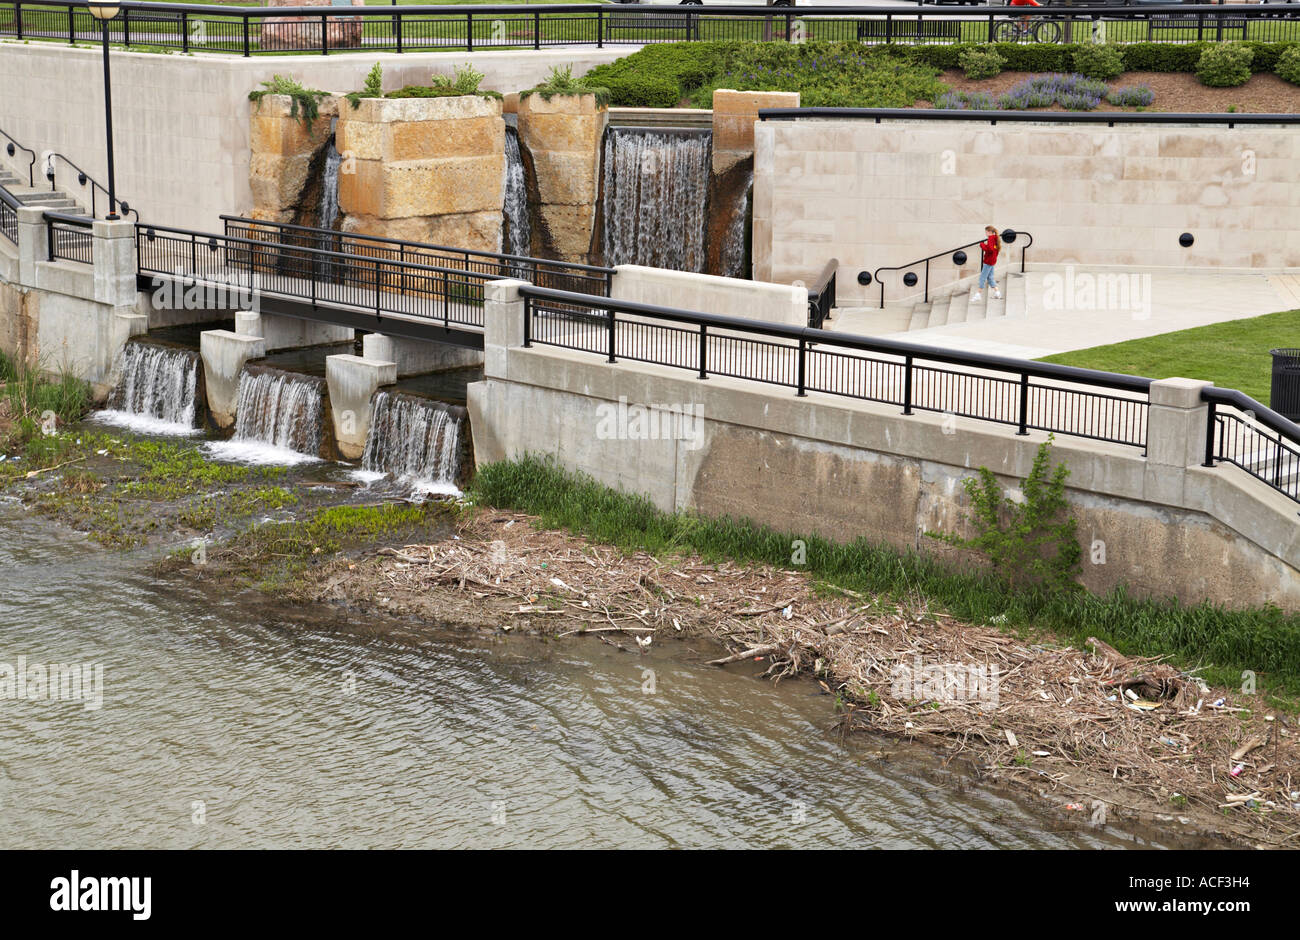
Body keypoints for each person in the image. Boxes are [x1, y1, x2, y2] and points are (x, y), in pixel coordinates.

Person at [971, 226, 1001, 304]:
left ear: (989, 231)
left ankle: (978, 294)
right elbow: (994, 250)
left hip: (988, 261)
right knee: (990, 277)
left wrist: (982, 245)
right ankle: (997, 293)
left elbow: (990, 249)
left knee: (982, 278)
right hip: (992, 261)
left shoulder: (991, 238)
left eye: (986, 232)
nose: (985, 233)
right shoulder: (995, 238)